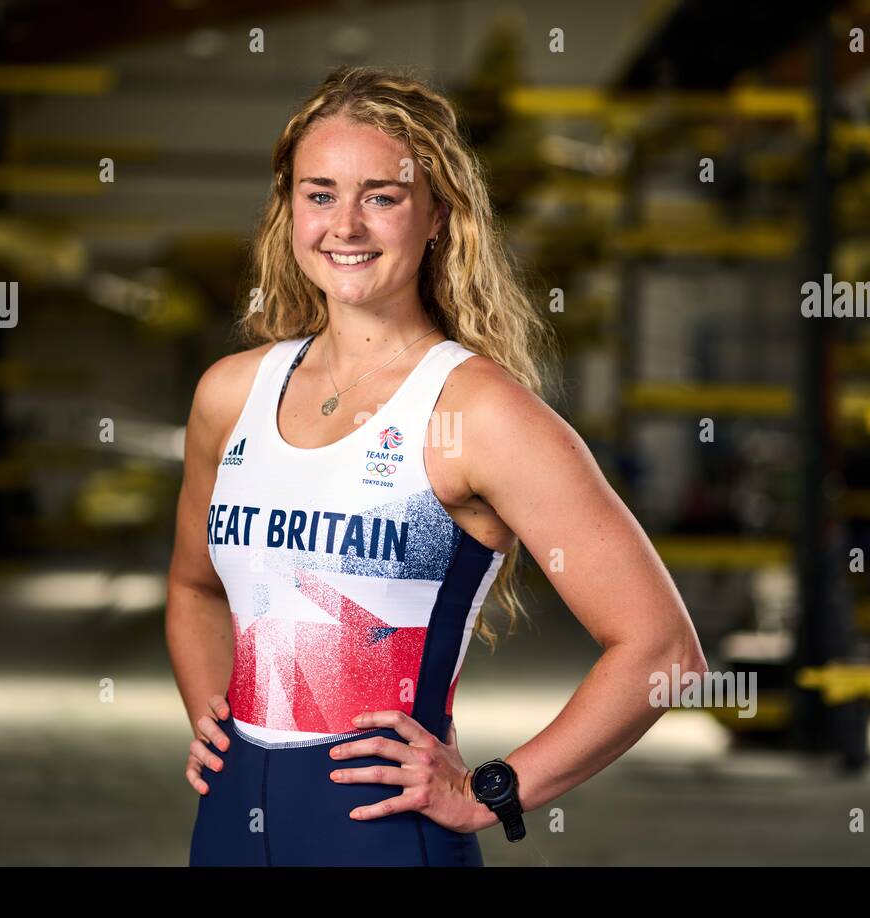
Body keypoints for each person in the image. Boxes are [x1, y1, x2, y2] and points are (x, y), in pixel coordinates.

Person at [166, 66, 706, 866]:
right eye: (319, 195)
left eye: (381, 196)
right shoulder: (230, 394)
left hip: (382, 830)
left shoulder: (479, 415)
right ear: (289, 214)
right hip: (229, 820)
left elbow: (662, 652)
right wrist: (217, 718)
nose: (345, 225)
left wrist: (495, 788)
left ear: (437, 219)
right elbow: (193, 585)